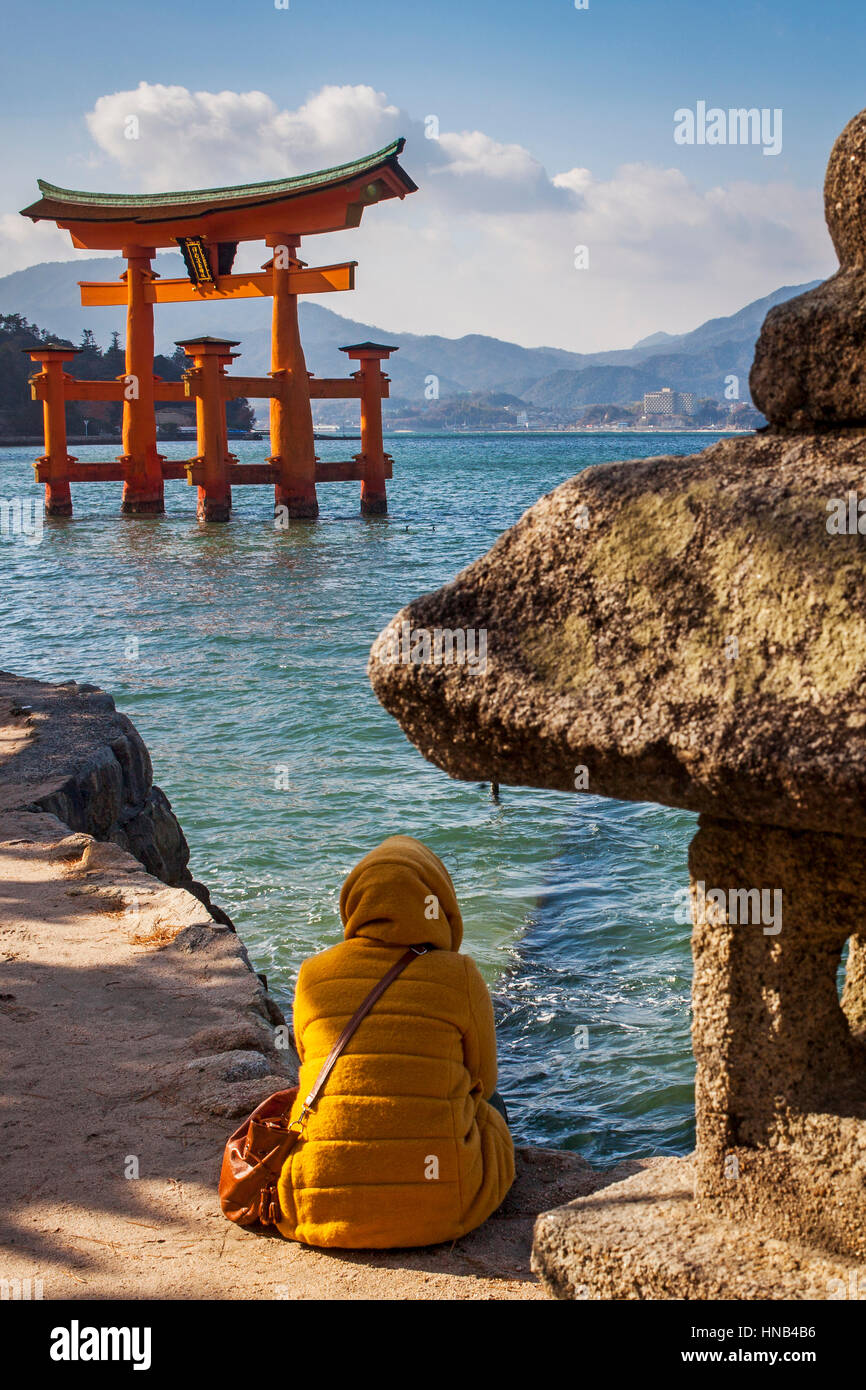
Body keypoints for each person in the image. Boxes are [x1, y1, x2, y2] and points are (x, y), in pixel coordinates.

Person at [275, 835, 515, 1248]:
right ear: (440, 903)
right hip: (445, 1209)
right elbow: (485, 1081)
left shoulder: (312, 973)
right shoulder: (460, 974)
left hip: (316, 1210)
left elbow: (307, 1064)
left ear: (355, 903)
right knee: (492, 1104)